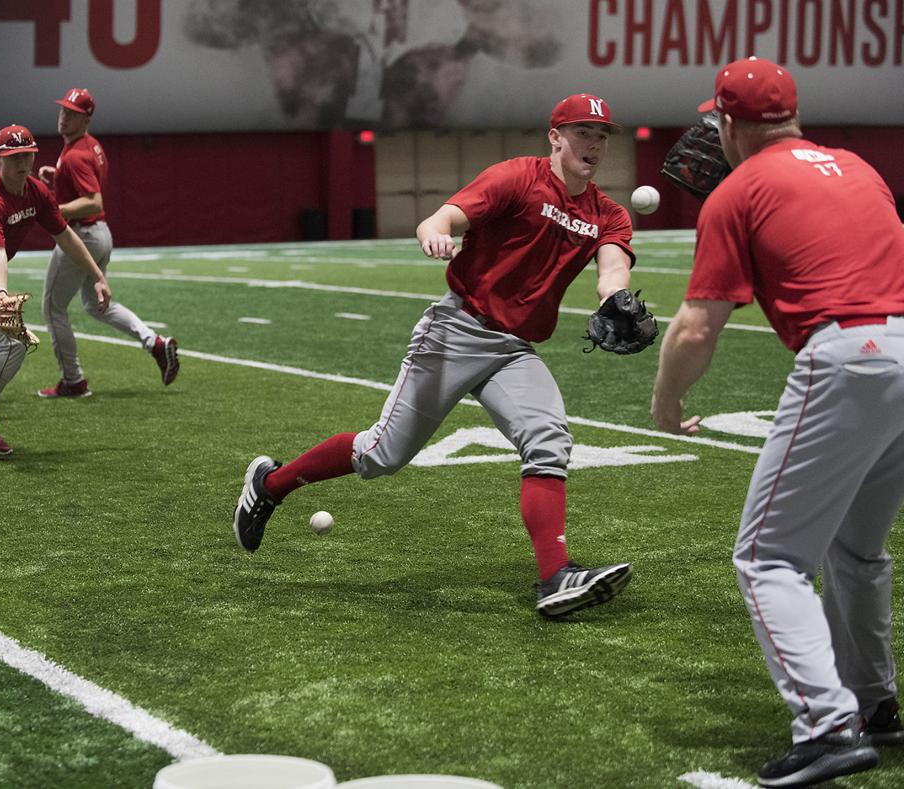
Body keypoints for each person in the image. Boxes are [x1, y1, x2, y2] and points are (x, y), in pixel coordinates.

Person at [233, 93, 637, 618]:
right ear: (555, 136)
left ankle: (555, 579)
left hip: (514, 350)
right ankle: (270, 484)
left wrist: (616, 299)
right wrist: (437, 237)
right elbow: (439, 219)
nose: (595, 144)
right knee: (381, 455)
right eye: (584, 132)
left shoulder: (608, 213)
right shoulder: (517, 177)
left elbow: (612, 268)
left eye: (603, 135)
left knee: (548, 441)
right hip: (457, 330)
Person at [650, 57, 904, 787]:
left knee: (768, 558)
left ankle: (825, 726)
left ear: (729, 123)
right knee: (856, 546)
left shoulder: (740, 189)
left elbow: (698, 327)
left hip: (849, 355)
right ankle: (874, 701)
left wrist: (666, 402)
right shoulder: (858, 166)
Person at [0, 125, 112, 455]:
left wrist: (97, 274)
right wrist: (2, 294)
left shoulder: (36, 192)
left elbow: (66, 236)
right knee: (12, 344)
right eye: (14, 156)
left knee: (5, 350)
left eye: (27, 154)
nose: (23, 162)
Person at [36, 87, 178, 398]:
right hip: (99, 235)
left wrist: (55, 209)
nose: (63, 118)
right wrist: (57, 176)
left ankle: (72, 380)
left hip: (81, 235)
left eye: (72, 114)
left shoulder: (75, 155)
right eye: (63, 111)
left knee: (52, 307)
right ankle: (154, 342)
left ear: (85, 119)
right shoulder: (88, 146)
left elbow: (92, 201)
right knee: (98, 305)